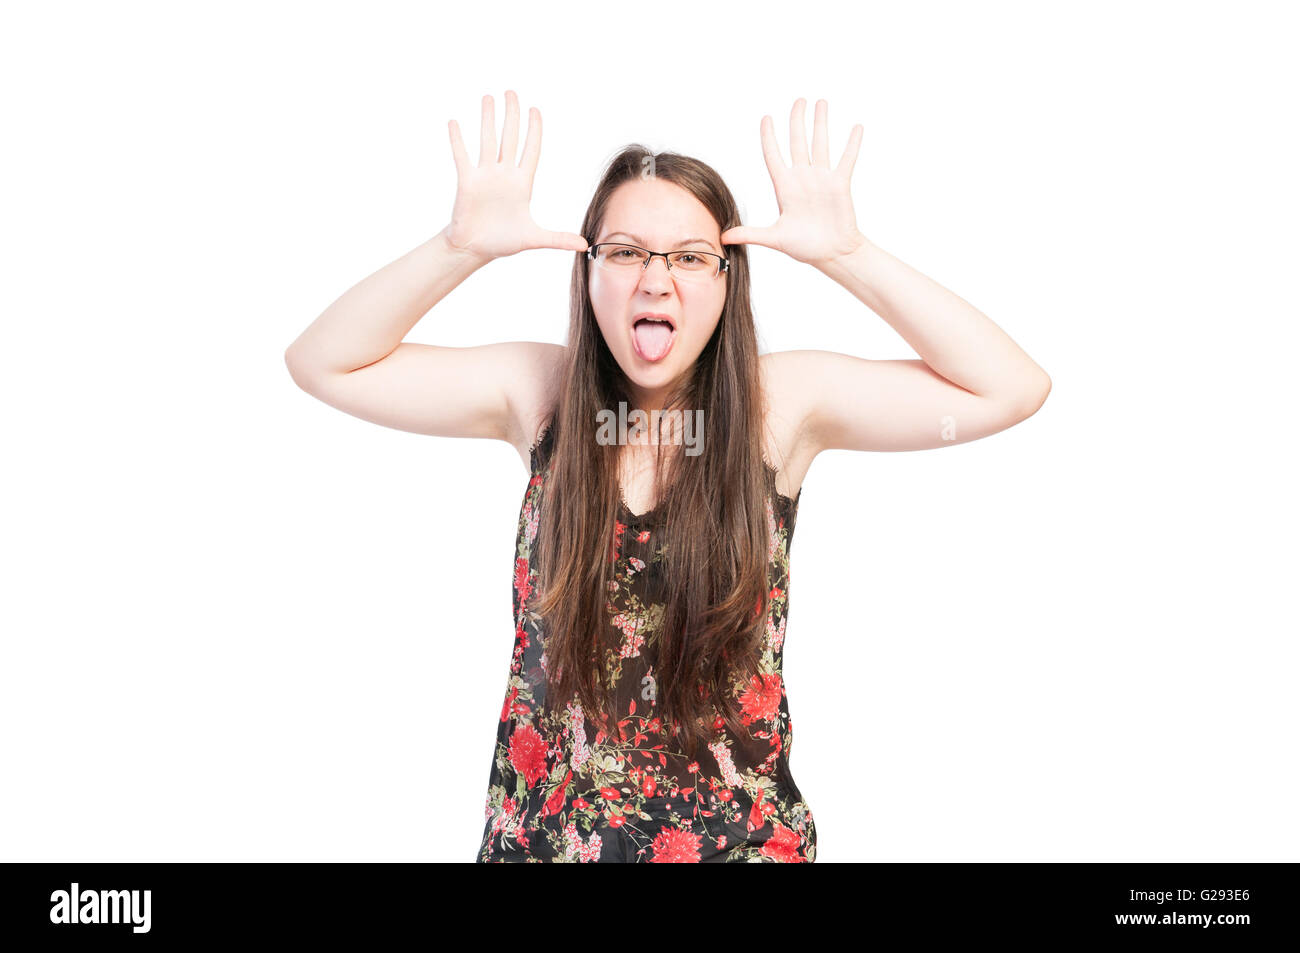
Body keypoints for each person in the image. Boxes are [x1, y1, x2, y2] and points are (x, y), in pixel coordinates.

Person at [284, 91, 1052, 863]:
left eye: (689, 257)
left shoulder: (776, 409)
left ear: (726, 282)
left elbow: (1008, 388)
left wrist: (847, 255)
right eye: (625, 252)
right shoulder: (540, 396)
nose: (656, 280)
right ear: (588, 273)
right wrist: (460, 246)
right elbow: (323, 362)